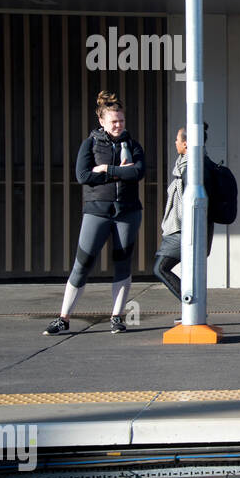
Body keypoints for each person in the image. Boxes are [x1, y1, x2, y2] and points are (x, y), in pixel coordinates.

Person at [44, 90, 146, 335]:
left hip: (128, 212)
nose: (118, 125)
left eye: (121, 120)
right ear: (101, 121)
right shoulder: (90, 143)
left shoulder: (133, 144)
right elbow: (82, 176)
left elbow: (138, 173)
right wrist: (118, 171)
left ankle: (116, 317)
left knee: (122, 264)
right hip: (97, 211)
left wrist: (106, 169)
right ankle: (63, 318)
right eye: (113, 121)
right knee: (83, 263)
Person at [153, 126, 216, 306]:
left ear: (186, 143)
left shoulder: (193, 168)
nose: (175, 143)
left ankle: (193, 306)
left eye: (177, 139)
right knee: (185, 271)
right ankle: (193, 308)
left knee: (160, 268)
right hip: (189, 229)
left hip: (185, 229)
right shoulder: (195, 163)